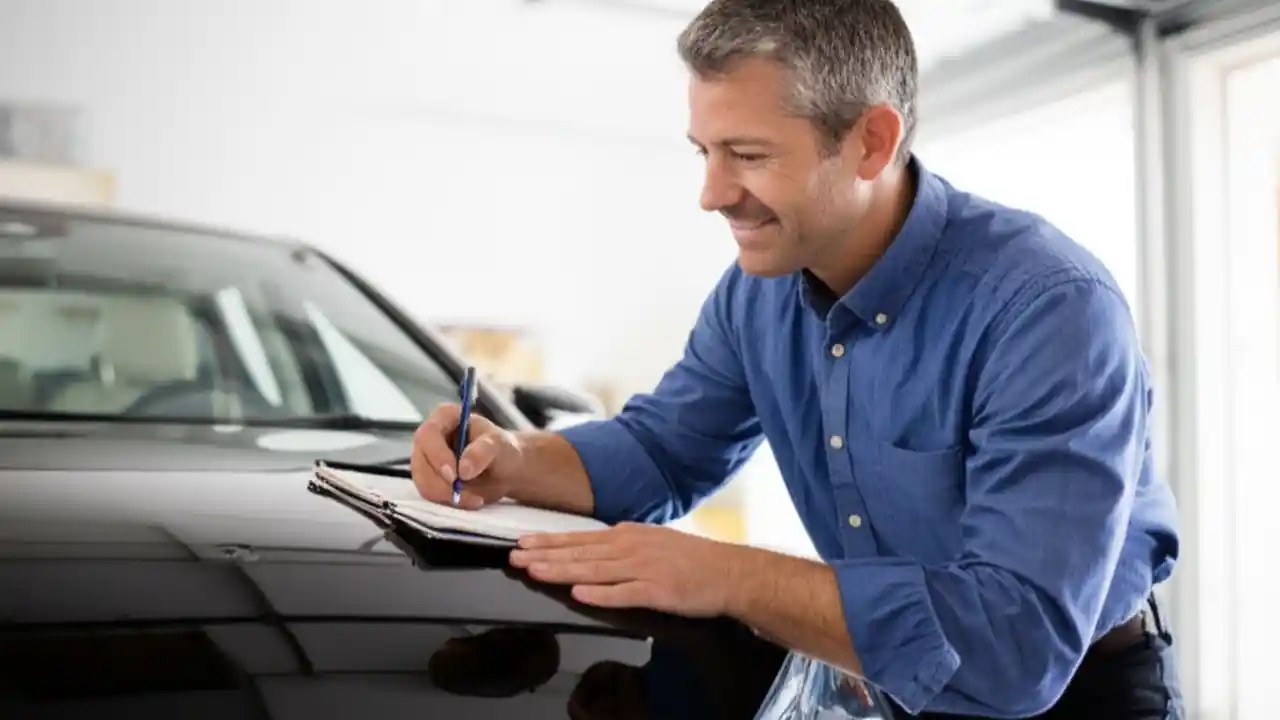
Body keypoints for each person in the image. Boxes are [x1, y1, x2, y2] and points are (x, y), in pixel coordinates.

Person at [410, 0, 1183, 717]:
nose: (712, 194)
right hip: (882, 686)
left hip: (1082, 694)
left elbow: (1015, 646)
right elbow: (662, 450)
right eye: (704, 152)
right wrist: (510, 459)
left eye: (746, 155)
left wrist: (727, 575)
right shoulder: (757, 296)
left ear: (871, 142)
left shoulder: (1046, 308)